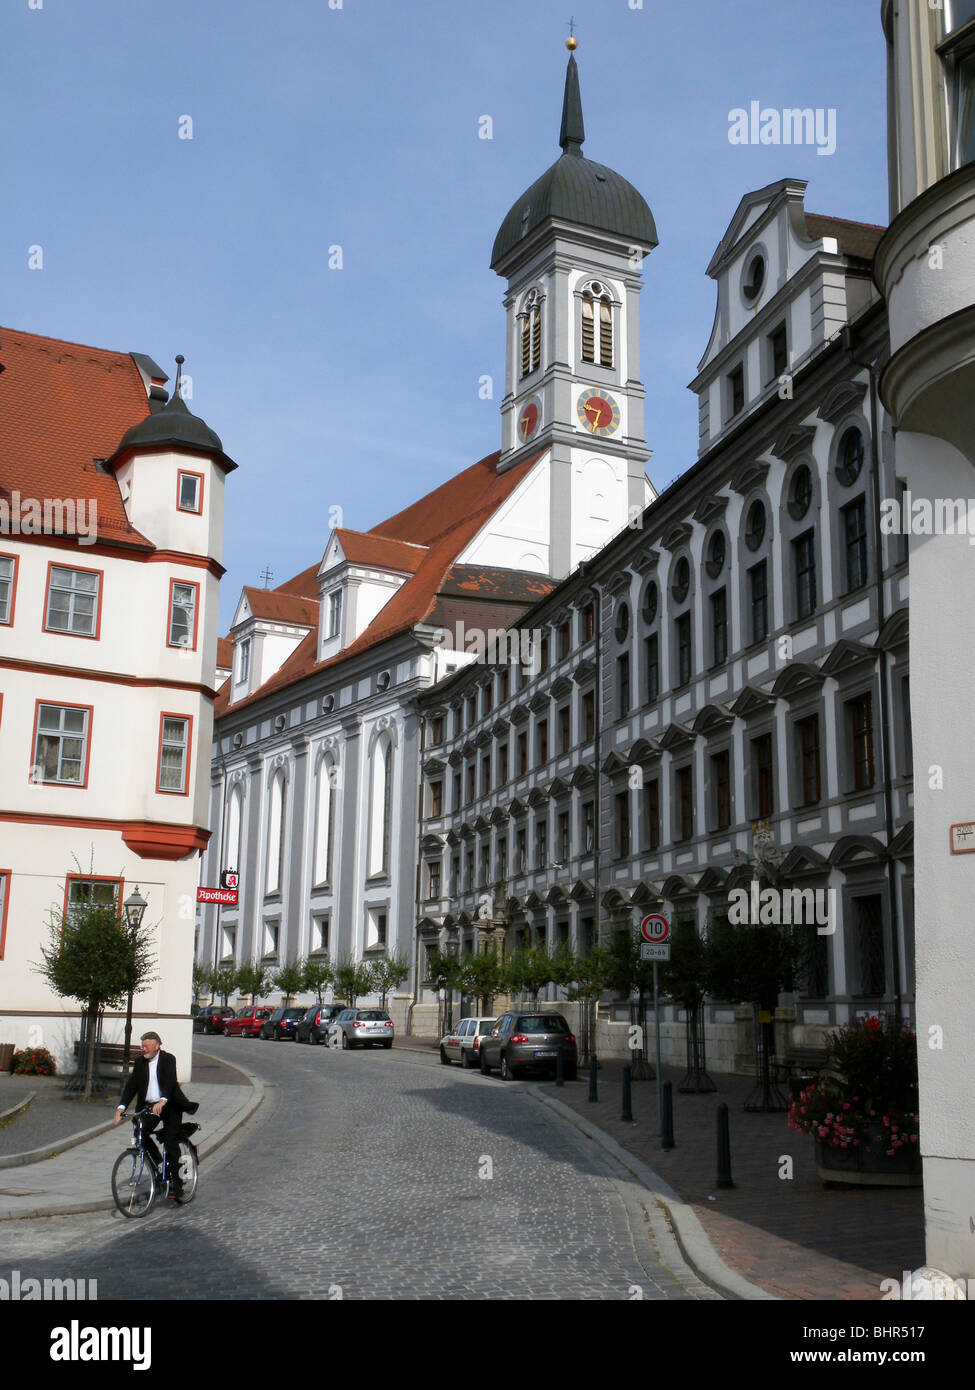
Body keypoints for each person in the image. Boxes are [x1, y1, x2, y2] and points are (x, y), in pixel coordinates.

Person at [114, 1032, 198, 1200]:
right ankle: (159, 1163)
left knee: (170, 1141)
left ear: (156, 1046)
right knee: (140, 1133)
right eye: (142, 1046)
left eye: (146, 1046)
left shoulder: (168, 1059)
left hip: (170, 1105)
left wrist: (163, 1100)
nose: (142, 1049)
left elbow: (170, 1082)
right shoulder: (140, 1063)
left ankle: (177, 1184)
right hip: (150, 1106)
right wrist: (121, 1107)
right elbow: (131, 1086)